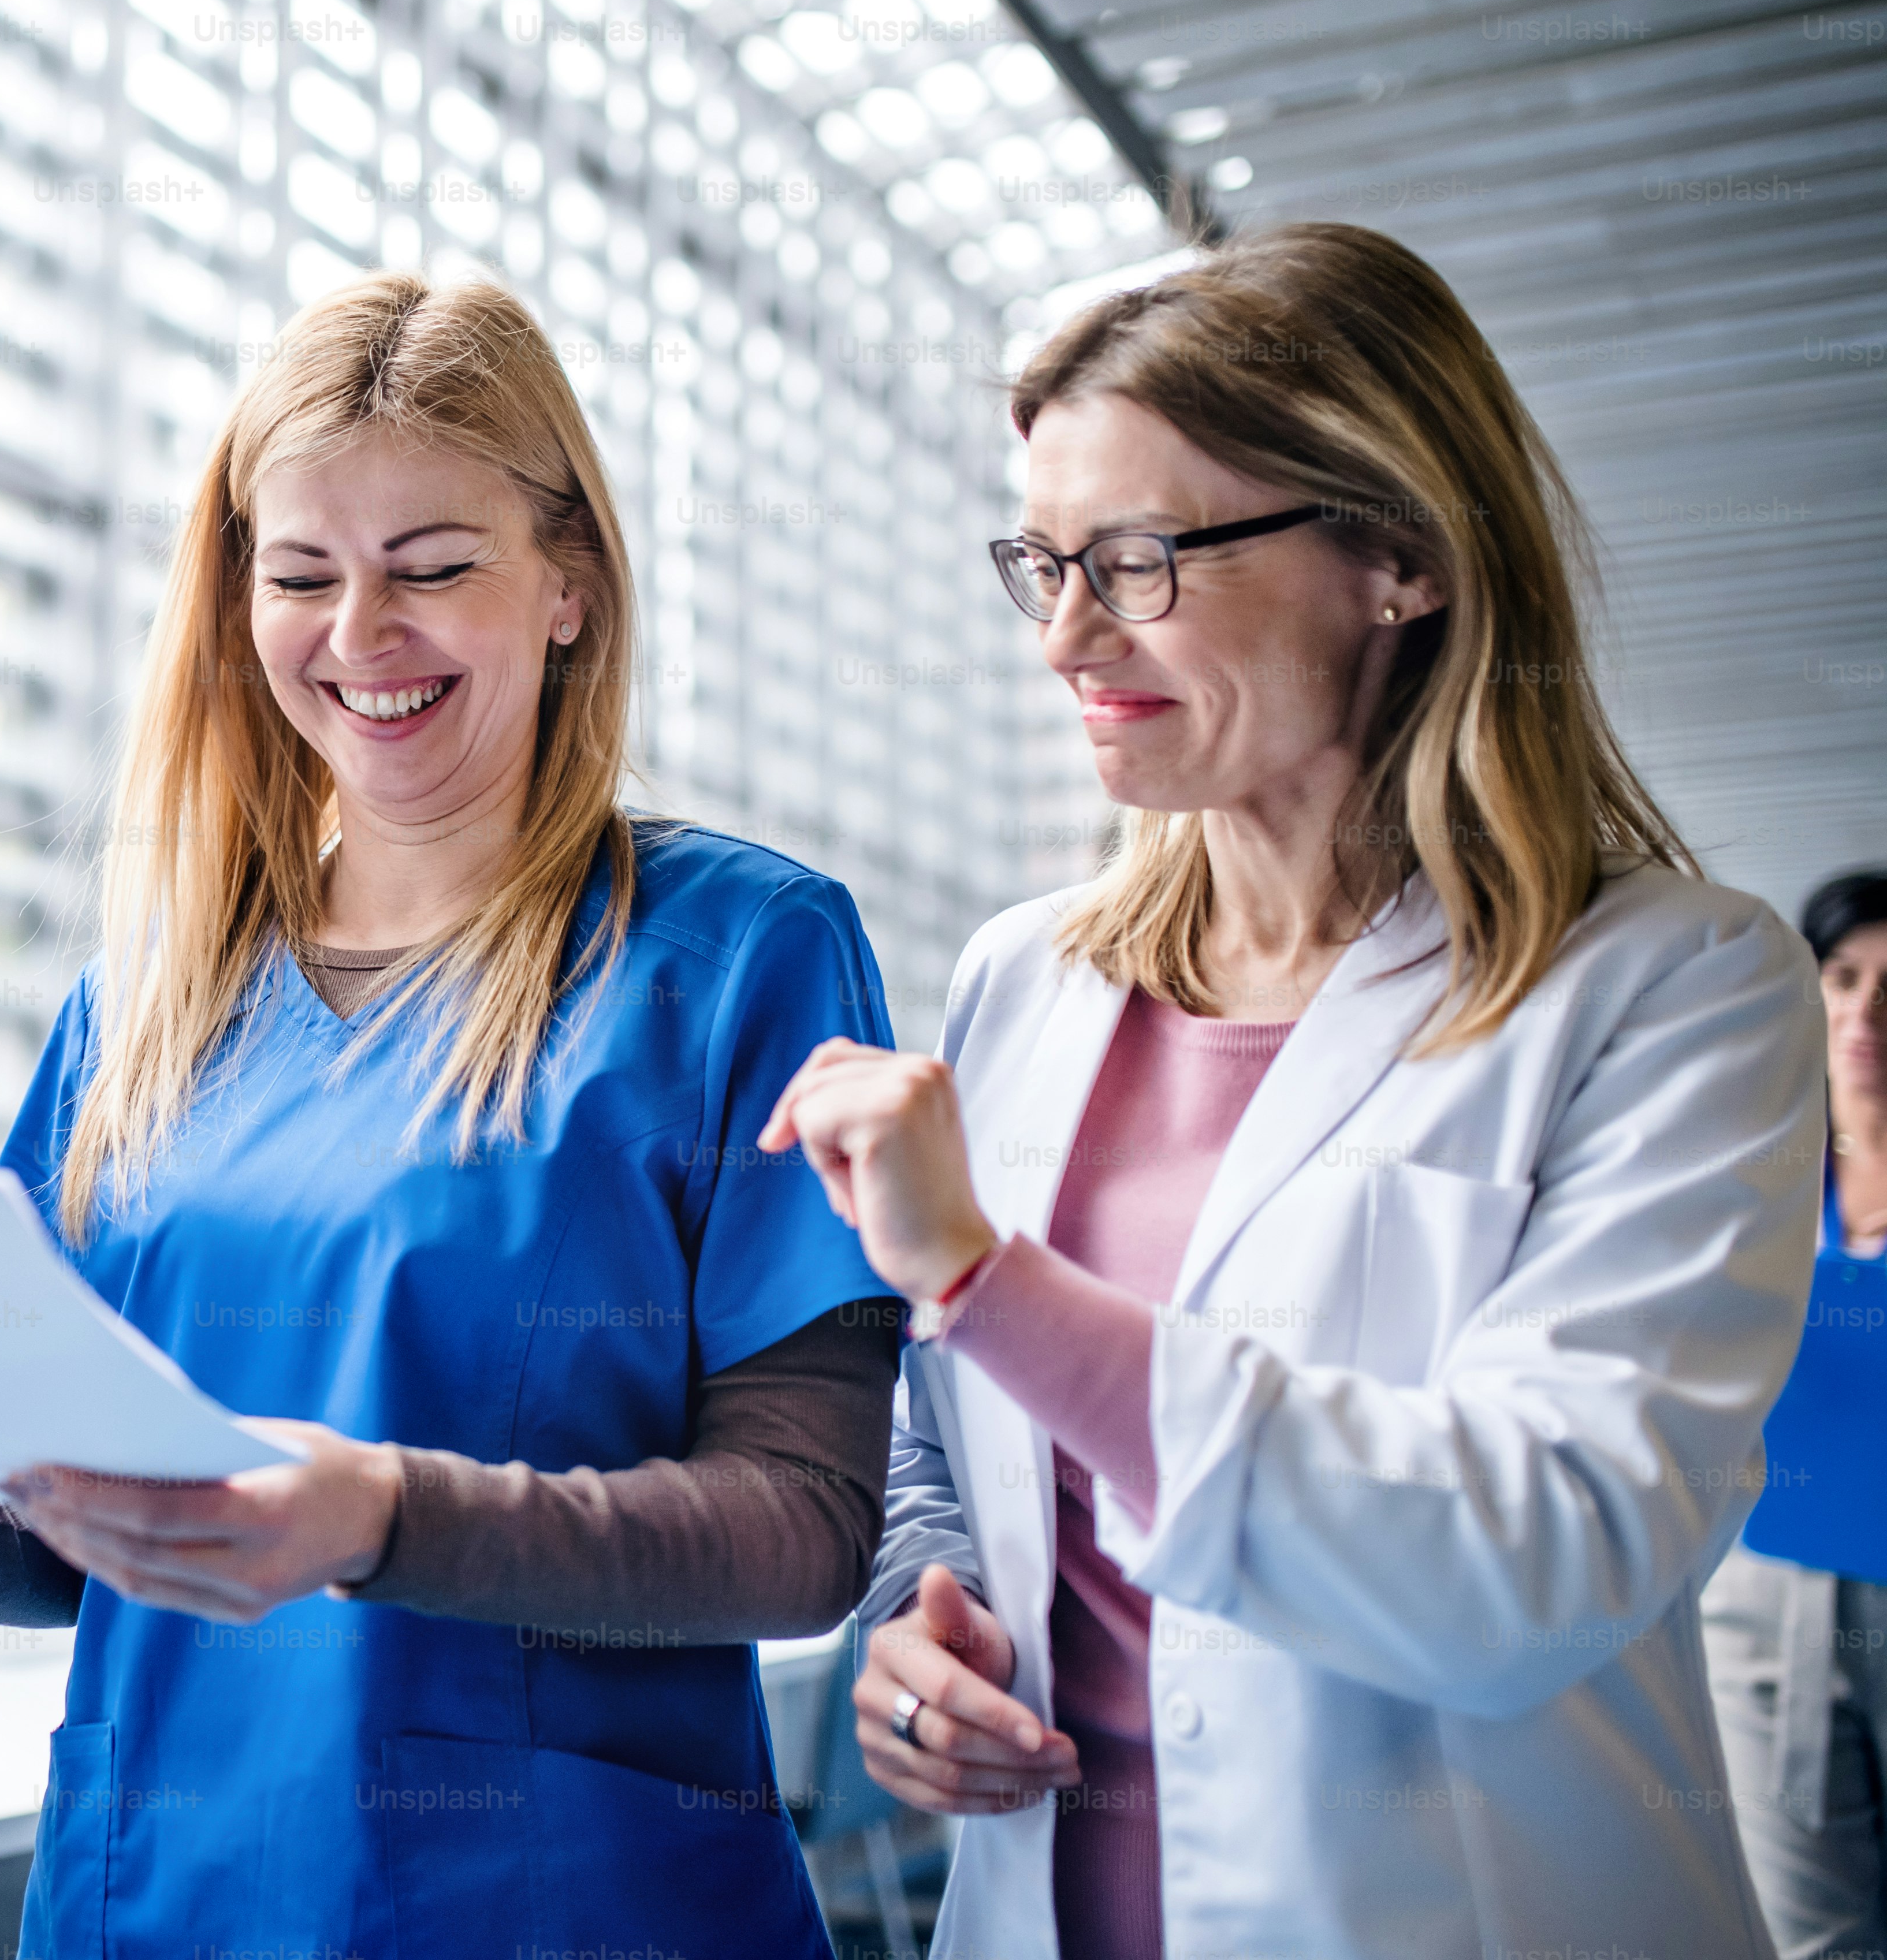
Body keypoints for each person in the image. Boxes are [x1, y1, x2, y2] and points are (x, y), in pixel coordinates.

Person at [0, 274, 900, 1958]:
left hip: (556, 1909)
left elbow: (808, 1531)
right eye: (302, 575)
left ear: (569, 592)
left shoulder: (736, 957)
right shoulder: (151, 1006)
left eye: (434, 568)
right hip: (162, 1901)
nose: (359, 636)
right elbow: (68, 1519)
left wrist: (384, 1515)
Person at [760, 222, 1825, 1959]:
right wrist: (913, 1627)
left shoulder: (1675, 994)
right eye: (1043, 566)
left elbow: (1537, 1556)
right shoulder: (1028, 980)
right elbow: (948, 1451)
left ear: (1398, 558)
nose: (1069, 641)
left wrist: (983, 1280)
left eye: (1141, 560)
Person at [1705, 867, 1887, 1958]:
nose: (1867, 1016)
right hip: (1767, 1605)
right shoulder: (1749, 1168)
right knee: (1818, 1937)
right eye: (1846, 979)